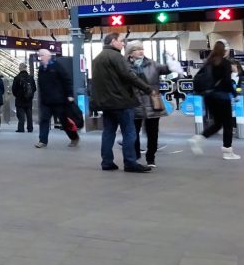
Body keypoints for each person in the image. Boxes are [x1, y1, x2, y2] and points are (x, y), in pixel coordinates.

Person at [91, 33, 153, 172]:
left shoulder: (97, 59)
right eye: (121, 41)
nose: (123, 44)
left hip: (106, 104)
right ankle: (130, 163)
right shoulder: (116, 57)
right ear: (113, 42)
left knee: (108, 132)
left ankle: (107, 162)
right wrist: (147, 88)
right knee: (129, 132)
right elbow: (129, 75)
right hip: (121, 102)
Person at [126, 41, 175, 168]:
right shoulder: (125, 66)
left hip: (152, 102)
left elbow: (167, 69)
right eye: (137, 49)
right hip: (133, 102)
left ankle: (151, 158)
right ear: (130, 53)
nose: (141, 51)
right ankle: (135, 156)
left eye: (142, 49)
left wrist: (171, 59)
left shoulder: (152, 64)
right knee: (133, 132)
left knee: (153, 132)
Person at [190, 41, 241, 160]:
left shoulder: (208, 62)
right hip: (222, 97)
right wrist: (235, 94)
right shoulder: (225, 63)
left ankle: (198, 139)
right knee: (228, 124)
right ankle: (228, 151)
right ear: (225, 50)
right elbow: (227, 82)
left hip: (209, 97)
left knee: (218, 123)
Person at [35, 49, 80, 148]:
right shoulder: (41, 69)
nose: (40, 58)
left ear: (48, 56)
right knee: (44, 120)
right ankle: (42, 141)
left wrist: (69, 95)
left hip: (59, 100)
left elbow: (66, 80)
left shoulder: (56, 66)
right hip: (46, 101)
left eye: (41, 55)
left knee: (64, 121)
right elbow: (41, 85)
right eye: (39, 56)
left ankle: (74, 138)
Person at [12, 63, 35, 133]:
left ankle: (21, 128)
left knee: (21, 114)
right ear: (26, 68)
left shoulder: (17, 78)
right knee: (29, 114)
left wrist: (17, 95)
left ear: (20, 68)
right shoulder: (30, 78)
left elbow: (14, 89)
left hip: (19, 99)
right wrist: (30, 95)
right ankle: (30, 128)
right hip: (28, 99)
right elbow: (34, 88)